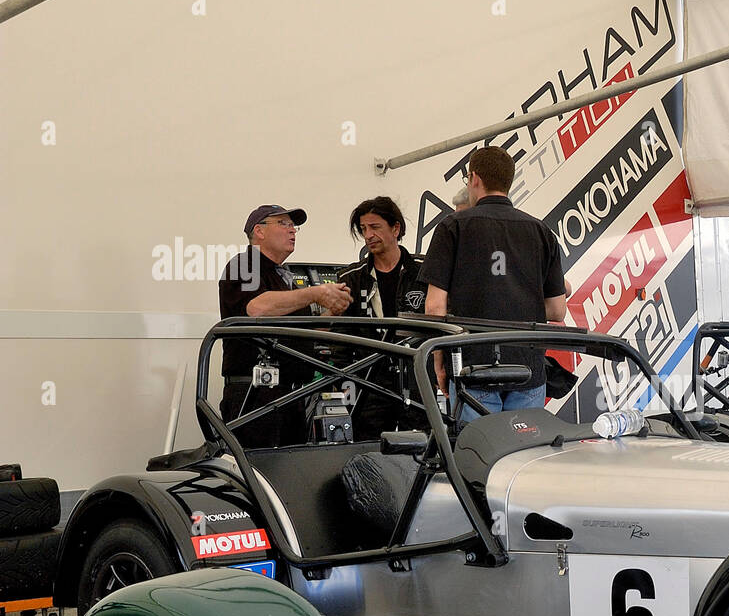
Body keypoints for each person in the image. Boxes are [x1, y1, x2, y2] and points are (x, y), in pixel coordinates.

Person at [419, 146, 567, 420]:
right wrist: (516, 307)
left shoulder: (452, 227)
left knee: (477, 457)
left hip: (472, 369)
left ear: (474, 178)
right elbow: (558, 310)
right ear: (508, 182)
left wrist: (439, 364)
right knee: (524, 457)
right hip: (528, 370)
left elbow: (435, 307)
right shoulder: (541, 231)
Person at [218, 204, 352, 447]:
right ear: (259, 231)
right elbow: (257, 308)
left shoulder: (285, 279)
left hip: (292, 395)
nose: (292, 231)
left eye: (294, 226)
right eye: (283, 223)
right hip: (256, 396)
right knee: (261, 474)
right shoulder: (244, 265)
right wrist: (317, 292)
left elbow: (305, 335)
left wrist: (334, 309)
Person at [337, 197, 426, 437]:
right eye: (363, 229)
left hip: (417, 379)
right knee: (369, 452)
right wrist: (346, 384)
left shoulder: (425, 270)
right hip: (369, 382)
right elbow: (341, 339)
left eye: (375, 227)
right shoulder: (350, 277)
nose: (368, 235)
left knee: (419, 452)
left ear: (395, 228)